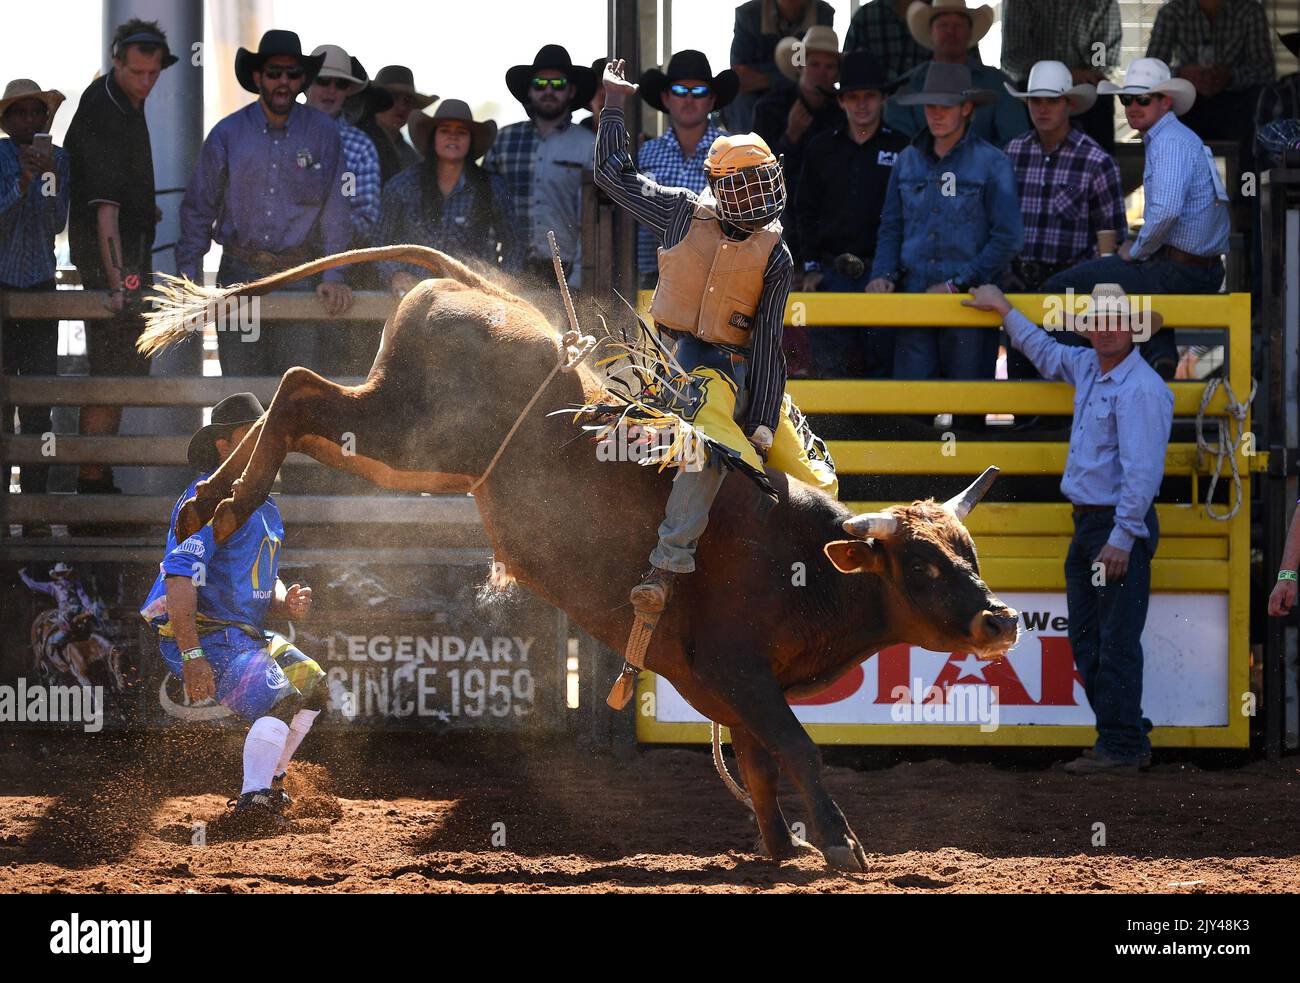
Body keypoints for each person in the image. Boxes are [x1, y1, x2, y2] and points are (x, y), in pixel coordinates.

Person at [593, 58, 838, 620]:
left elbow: (769, 346)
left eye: (764, 181)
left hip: (744, 373)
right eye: (747, 184)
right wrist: (611, 105)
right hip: (683, 365)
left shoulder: (776, 254)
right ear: (723, 188)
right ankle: (668, 563)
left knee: (815, 479)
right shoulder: (683, 214)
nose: (760, 194)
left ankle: (837, 567)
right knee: (713, 446)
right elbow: (613, 175)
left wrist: (765, 421)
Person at [965, 282, 1172, 774]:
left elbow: (1142, 474)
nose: (1105, 331)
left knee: (1110, 638)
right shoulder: (1093, 370)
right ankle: (1124, 738)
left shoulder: (1140, 389)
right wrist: (1005, 310)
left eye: (1114, 322)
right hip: (1095, 525)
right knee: (1092, 637)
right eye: (1098, 322)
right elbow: (1044, 350)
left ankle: (1121, 745)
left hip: (1111, 527)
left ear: (1133, 330)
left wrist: (1121, 538)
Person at [139, 393, 328, 836]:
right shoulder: (207, 501)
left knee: (311, 685)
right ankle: (254, 800)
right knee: (283, 698)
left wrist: (283, 600)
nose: (269, 444)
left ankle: (270, 784)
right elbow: (178, 577)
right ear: (225, 447)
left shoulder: (264, 505)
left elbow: (261, 576)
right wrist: (191, 656)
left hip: (243, 632)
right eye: (254, 436)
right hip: (210, 634)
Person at [177, 29, 354, 380]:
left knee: (295, 389)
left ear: (303, 79)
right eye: (274, 73)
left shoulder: (322, 133)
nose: (283, 82)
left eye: (292, 74)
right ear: (258, 76)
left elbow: (337, 208)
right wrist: (189, 279)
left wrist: (334, 274)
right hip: (240, 274)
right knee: (241, 389)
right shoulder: (228, 134)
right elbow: (199, 207)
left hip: (300, 273)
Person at [1045, 58, 1229, 380]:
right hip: (1193, 269)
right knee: (1126, 289)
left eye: (1142, 99)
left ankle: (1078, 383)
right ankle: (1159, 358)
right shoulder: (1175, 138)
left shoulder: (1169, 143)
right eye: (1126, 99)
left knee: (1059, 291)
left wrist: (1138, 249)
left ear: (1165, 101)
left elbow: (1167, 212)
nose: (1132, 106)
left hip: (1181, 270)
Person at [64, 18, 175, 496]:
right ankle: (92, 484)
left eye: (153, 74)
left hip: (123, 265)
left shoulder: (119, 101)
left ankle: (98, 481)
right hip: (116, 272)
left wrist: (139, 206)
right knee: (110, 376)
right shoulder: (107, 110)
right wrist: (118, 284)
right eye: (137, 73)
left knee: (118, 374)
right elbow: (104, 212)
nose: (146, 82)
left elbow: (114, 202)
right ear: (117, 62)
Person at [867, 62, 1023, 384]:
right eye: (930, 106)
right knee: (913, 412)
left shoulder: (993, 163)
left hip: (970, 303)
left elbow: (1008, 238)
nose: (936, 113)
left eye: (946, 105)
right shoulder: (907, 159)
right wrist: (882, 273)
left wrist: (957, 284)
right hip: (916, 299)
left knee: (967, 411)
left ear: (966, 108)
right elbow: (891, 226)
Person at [1002, 60, 1125, 379]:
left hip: (1072, 291)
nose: (1042, 109)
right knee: (1021, 378)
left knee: (1063, 378)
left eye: (1052, 100)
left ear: (1068, 104)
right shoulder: (1011, 154)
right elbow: (997, 224)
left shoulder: (1096, 161)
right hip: (1019, 284)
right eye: (1035, 100)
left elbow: (1112, 240)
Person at [795, 51, 907, 379]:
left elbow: (909, 218)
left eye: (870, 96)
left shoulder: (903, 150)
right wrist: (812, 268)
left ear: (884, 98)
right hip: (831, 274)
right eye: (853, 97)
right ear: (841, 101)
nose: (862, 105)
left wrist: (892, 273)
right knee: (832, 370)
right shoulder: (820, 148)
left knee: (883, 368)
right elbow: (805, 212)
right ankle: (837, 433)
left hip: (885, 277)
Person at [0, 79, 68, 499]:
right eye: (20, 112)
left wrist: (48, 180)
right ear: (6, 121)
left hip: (41, 285)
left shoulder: (59, 160)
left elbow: (57, 223)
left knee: (40, 402)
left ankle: (36, 509)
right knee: (3, 406)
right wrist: (21, 183)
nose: (29, 120)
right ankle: (5, 515)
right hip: (4, 288)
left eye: (35, 112)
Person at [485, 45, 597, 291]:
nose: (548, 90)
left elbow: (592, 222)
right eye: (540, 84)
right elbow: (485, 211)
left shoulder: (589, 145)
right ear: (529, 90)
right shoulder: (503, 141)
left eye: (557, 84)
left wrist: (579, 280)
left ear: (571, 91)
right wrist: (491, 273)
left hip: (566, 273)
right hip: (510, 272)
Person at [379, 99, 521, 293]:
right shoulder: (402, 185)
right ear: (433, 137)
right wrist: (396, 274)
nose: (452, 137)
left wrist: (501, 284)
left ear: (471, 140)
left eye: (461, 132)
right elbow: (380, 241)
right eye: (444, 130)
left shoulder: (492, 187)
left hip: (474, 296)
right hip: (415, 294)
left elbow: (514, 244)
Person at [634, 50, 735, 286]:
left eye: (698, 91)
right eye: (680, 91)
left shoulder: (732, 152)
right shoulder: (645, 153)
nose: (689, 99)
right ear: (667, 98)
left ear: (711, 100)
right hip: (654, 277)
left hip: (717, 277)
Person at [752, 25, 845, 258]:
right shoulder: (769, 106)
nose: (821, 73)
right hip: (779, 207)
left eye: (829, 66)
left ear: (836, 74)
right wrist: (790, 136)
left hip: (827, 208)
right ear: (800, 65)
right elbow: (758, 175)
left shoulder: (842, 112)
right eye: (814, 64)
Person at [885, 0, 1030, 146]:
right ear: (931, 32)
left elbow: (1015, 143)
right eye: (943, 26)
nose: (951, 32)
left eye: (958, 26)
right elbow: (897, 144)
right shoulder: (908, 85)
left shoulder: (998, 84)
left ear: (970, 32)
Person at [1146, 0, 1275, 165]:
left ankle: (1246, 188)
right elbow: (1150, 71)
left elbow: (1265, 71)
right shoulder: (1172, 12)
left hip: (1235, 105)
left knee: (1261, 105)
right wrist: (1182, 74)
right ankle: (1172, 184)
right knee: (1161, 106)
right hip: (1187, 106)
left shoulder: (1249, 11)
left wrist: (1229, 76)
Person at [1000, 0, 1121, 152]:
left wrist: (1090, 74)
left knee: (1101, 93)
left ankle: (1098, 161)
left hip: (1085, 87)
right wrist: (1068, 74)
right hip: (1033, 86)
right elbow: (1013, 57)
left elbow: (1104, 58)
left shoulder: (1102, 2)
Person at [305, 45, 382, 251]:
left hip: (334, 260)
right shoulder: (279, 133)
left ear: (347, 91)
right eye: (323, 81)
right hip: (276, 259)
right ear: (306, 83)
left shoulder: (361, 147)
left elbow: (366, 219)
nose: (331, 90)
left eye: (340, 84)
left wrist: (326, 224)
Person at [727, 0, 836, 133]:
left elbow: (822, 66)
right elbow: (740, 78)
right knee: (740, 97)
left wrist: (764, 76)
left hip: (804, 97)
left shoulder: (823, 12)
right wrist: (796, 75)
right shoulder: (748, 13)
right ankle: (746, 150)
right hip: (756, 104)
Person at [365, 65, 436, 184]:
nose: (402, 107)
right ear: (375, 100)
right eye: (392, 98)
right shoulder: (352, 142)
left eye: (408, 101)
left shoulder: (412, 158)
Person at [843, 0, 933, 80]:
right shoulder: (866, 15)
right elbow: (847, 71)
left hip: (933, 97)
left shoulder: (939, 16)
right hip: (874, 97)